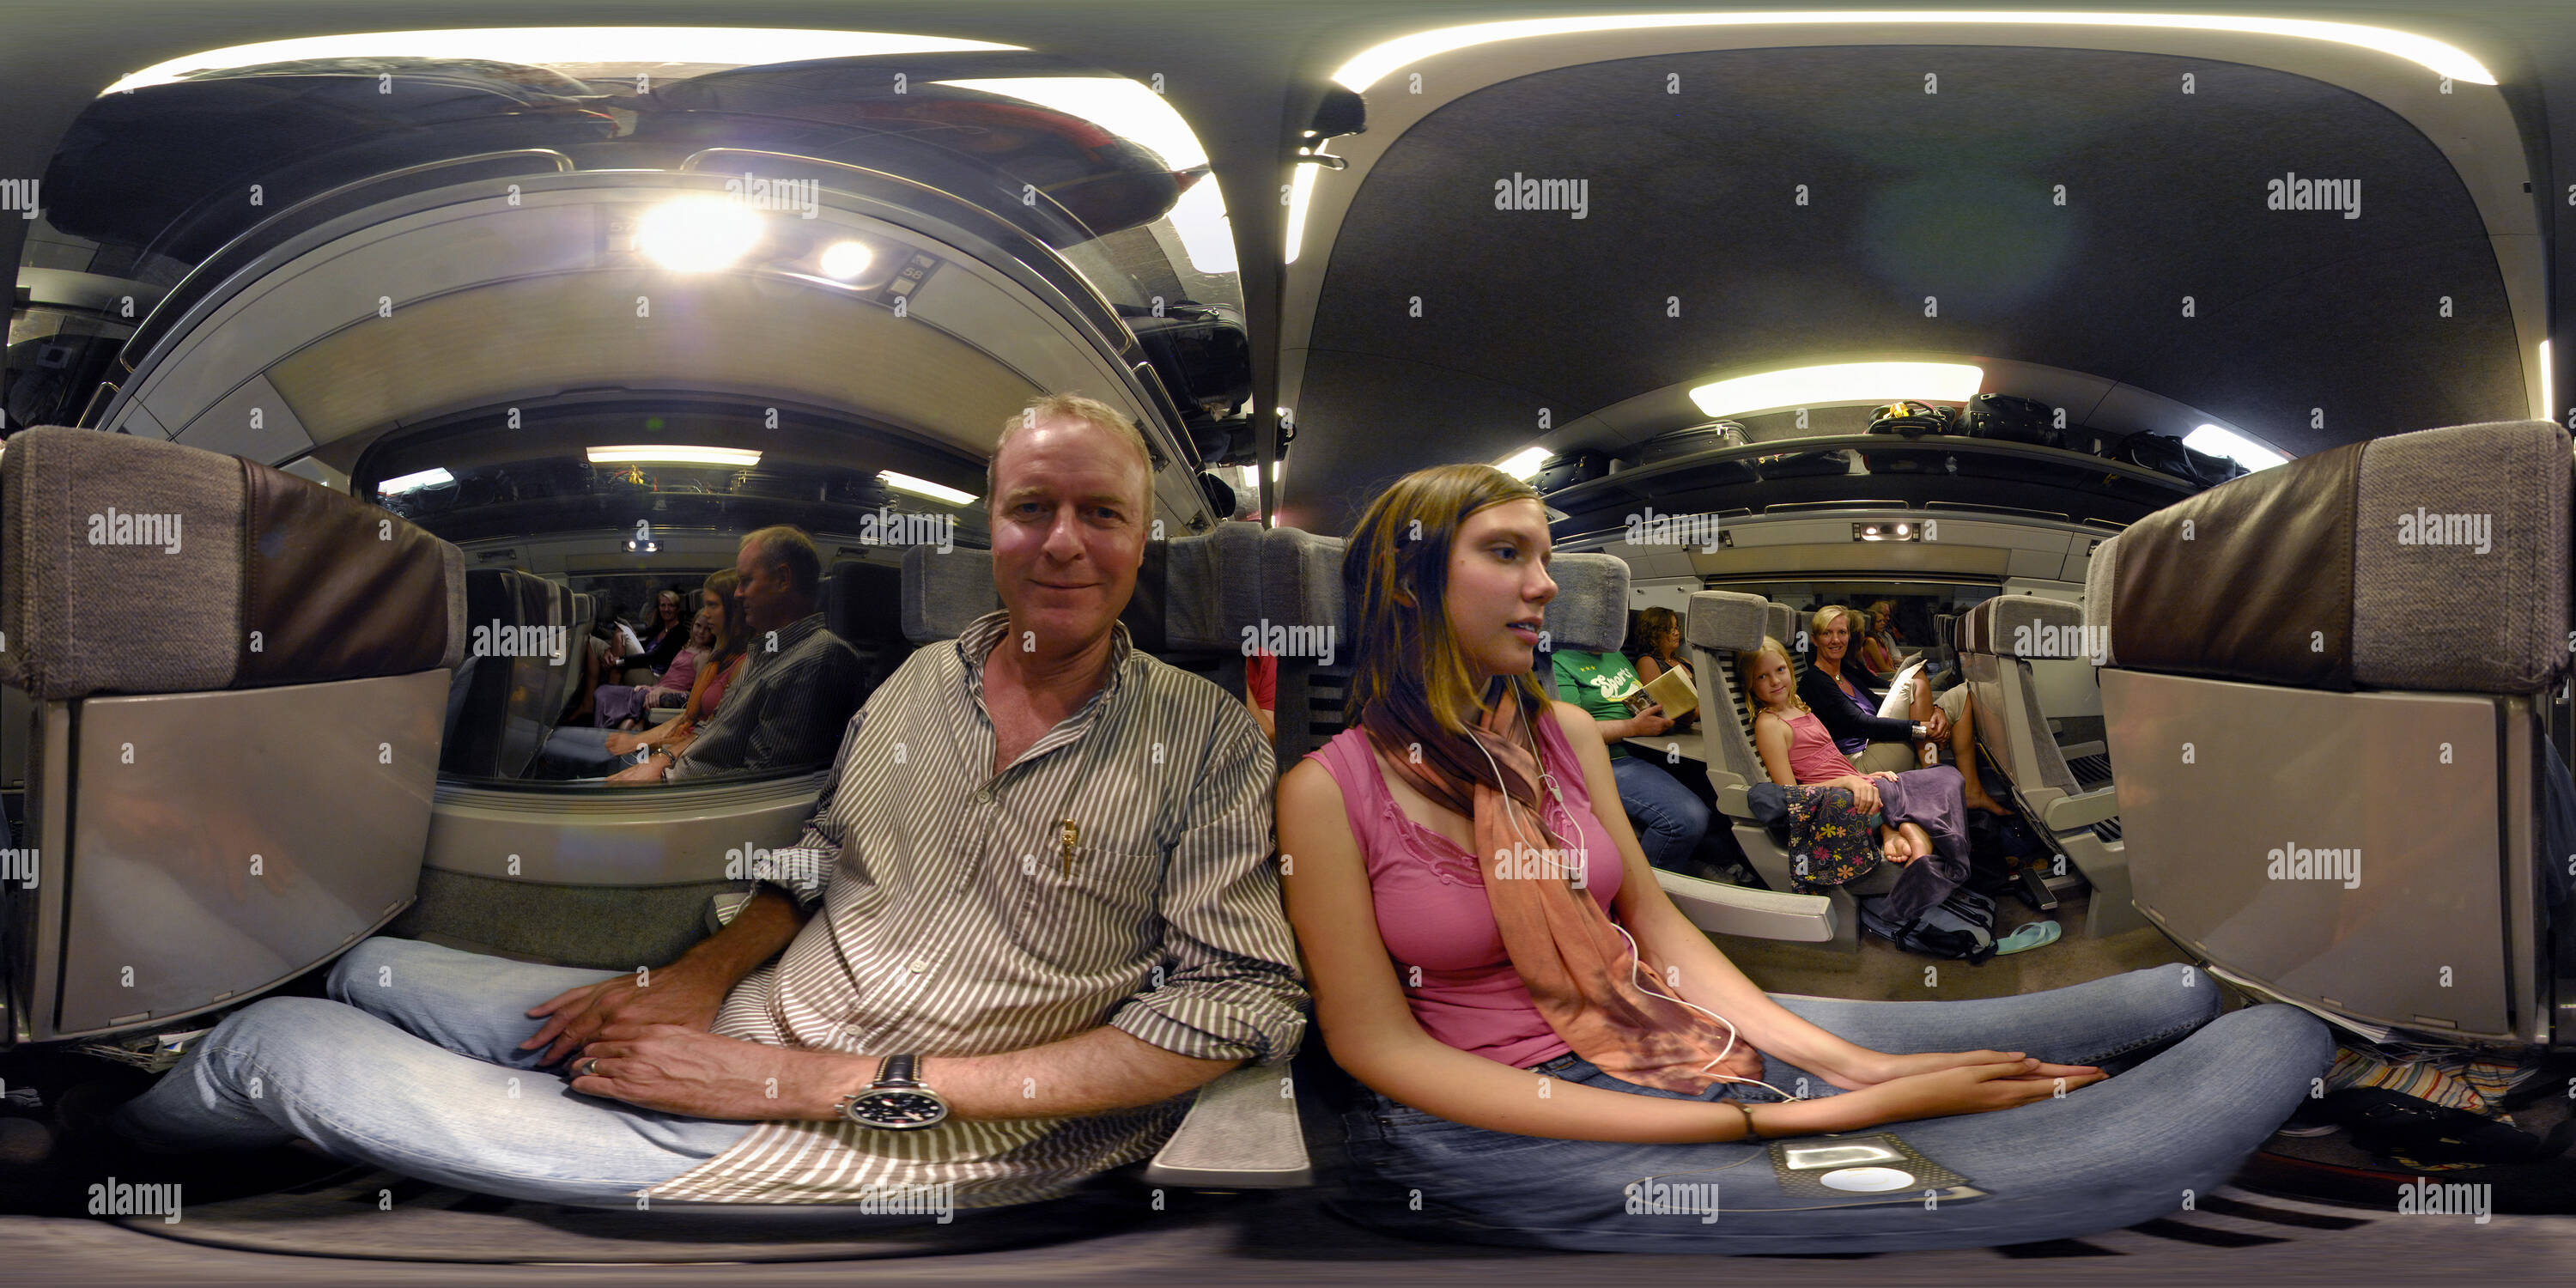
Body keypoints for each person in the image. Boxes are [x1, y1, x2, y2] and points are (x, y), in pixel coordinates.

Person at [112, 392, 1306, 1208]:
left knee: (268, 1044)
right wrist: (692, 981)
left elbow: (1235, 1010)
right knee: (366, 967)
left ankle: (91, 1171)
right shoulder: (916, 682)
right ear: (984, 530)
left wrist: (810, 1084)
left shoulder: (1204, 742)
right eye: (1030, 509)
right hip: (749, 1014)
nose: (1062, 545)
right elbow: (823, 860)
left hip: (864, 1135)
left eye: (1100, 515)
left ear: (1144, 541)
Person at [1273, 461, 2331, 1254]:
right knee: (2248, 1062)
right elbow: (1381, 1053)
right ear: (1409, 582)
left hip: (1659, 1022)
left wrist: (1857, 1064)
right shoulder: (1328, 792)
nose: (1546, 586)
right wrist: (1824, 1109)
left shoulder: (1563, 737)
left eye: (1546, 556)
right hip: (1489, 1124)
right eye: (1507, 554)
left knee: (2187, 992)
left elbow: (1652, 925)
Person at [1799, 604, 2008, 815]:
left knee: (1963, 694)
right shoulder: (1814, 680)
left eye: (1841, 632)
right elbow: (1859, 724)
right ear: (1815, 639)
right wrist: (1921, 729)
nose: (1836, 640)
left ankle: (1972, 791)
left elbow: (1879, 704)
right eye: (1827, 633)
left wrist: (1934, 711)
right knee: (1915, 676)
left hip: (1876, 746)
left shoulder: (1843, 672)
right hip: (1859, 763)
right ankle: (1933, 775)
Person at [536, 573, 745, 778]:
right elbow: (690, 717)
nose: (705, 615)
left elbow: (711, 734)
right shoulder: (718, 657)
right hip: (668, 739)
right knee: (554, 737)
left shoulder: (739, 664)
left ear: (733, 609)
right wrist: (640, 740)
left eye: (712, 605)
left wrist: (653, 752)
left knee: (547, 751)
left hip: (674, 754)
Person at [1551, 633, 1707, 874]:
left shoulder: (1615, 654)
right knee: (1686, 820)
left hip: (1650, 747)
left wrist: (1677, 711)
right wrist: (1630, 728)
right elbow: (1570, 736)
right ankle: (1649, 891)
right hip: (1609, 759)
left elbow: (1641, 703)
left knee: (1714, 792)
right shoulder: (1558, 662)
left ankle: (1700, 865)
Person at [592, 599, 714, 730]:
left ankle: (617, 727)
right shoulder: (689, 645)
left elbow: (695, 695)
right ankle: (628, 723)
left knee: (607, 694)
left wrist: (662, 690)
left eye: (708, 629)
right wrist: (654, 686)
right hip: (656, 688)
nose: (701, 632)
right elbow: (670, 676)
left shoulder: (703, 656)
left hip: (663, 693)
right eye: (698, 626)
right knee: (603, 691)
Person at [1627, 605, 1696, 732]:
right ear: (1654, 633)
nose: (1676, 633)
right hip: (1676, 732)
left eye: (1676, 627)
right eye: (1669, 629)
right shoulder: (1647, 662)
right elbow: (1661, 709)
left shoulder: (1684, 662)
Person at [1858, 598, 1906, 674]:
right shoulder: (1870, 641)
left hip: (1890, 672)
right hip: (1883, 676)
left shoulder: (1879, 638)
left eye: (1883, 621)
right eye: (1879, 621)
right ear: (1872, 624)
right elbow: (1884, 669)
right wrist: (1901, 674)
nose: (1884, 623)